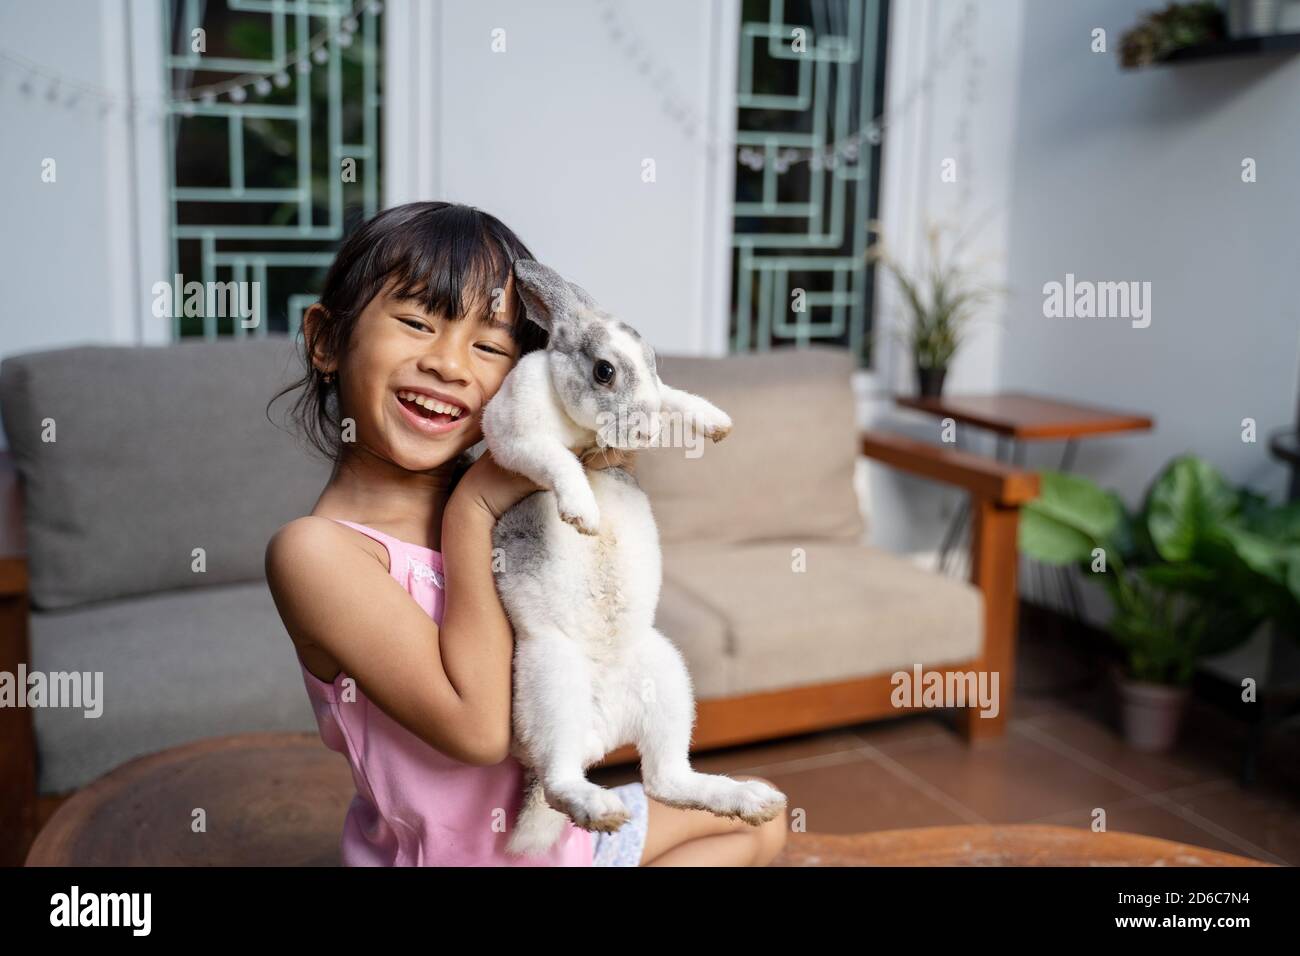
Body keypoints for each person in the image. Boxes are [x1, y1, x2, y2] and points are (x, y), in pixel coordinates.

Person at [266, 201, 787, 865]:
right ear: (327, 340)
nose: (449, 364)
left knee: (758, 821)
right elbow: (480, 731)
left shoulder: (509, 500)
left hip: (550, 845)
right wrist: (474, 509)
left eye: (487, 346)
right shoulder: (318, 555)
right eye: (417, 322)